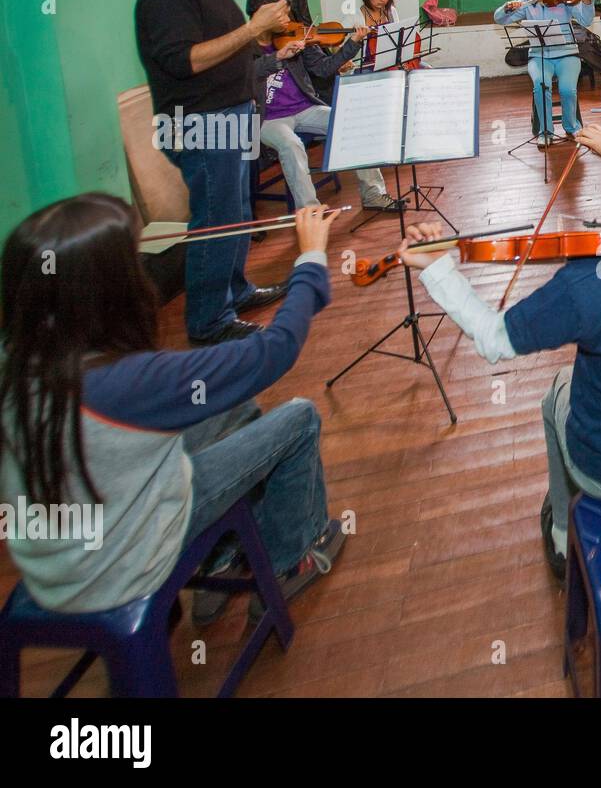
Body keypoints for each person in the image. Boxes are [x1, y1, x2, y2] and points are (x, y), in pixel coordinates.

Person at [397, 120, 601, 577]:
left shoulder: (589, 286)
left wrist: (436, 270)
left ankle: (560, 531)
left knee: (555, 391)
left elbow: (494, 340)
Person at [0, 195, 347, 626]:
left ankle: (220, 557)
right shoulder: (132, 381)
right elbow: (274, 351)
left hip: (52, 565)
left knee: (233, 403)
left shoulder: (17, 359)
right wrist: (311, 257)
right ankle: (294, 559)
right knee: (299, 417)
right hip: (122, 563)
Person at [134, 0, 291, 345]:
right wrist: (252, 28)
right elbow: (184, 60)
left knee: (237, 212)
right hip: (202, 123)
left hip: (229, 115)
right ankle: (208, 321)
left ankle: (235, 290)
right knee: (214, 221)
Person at [246, 0, 401, 212]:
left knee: (353, 124)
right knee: (291, 145)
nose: (289, 18)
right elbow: (244, 76)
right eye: (282, 13)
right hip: (267, 119)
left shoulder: (296, 34)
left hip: (304, 109)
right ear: (262, 12)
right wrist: (277, 56)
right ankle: (311, 214)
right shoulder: (243, 46)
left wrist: (354, 42)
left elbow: (323, 68)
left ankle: (373, 194)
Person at [493, 0, 597, 146]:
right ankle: (545, 131)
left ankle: (572, 127)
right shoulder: (527, 4)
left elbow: (586, 20)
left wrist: (587, 2)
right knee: (541, 86)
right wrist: (507, 7)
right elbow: (499, 19)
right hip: (539, 56)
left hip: (567, 54)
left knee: (567, 89)